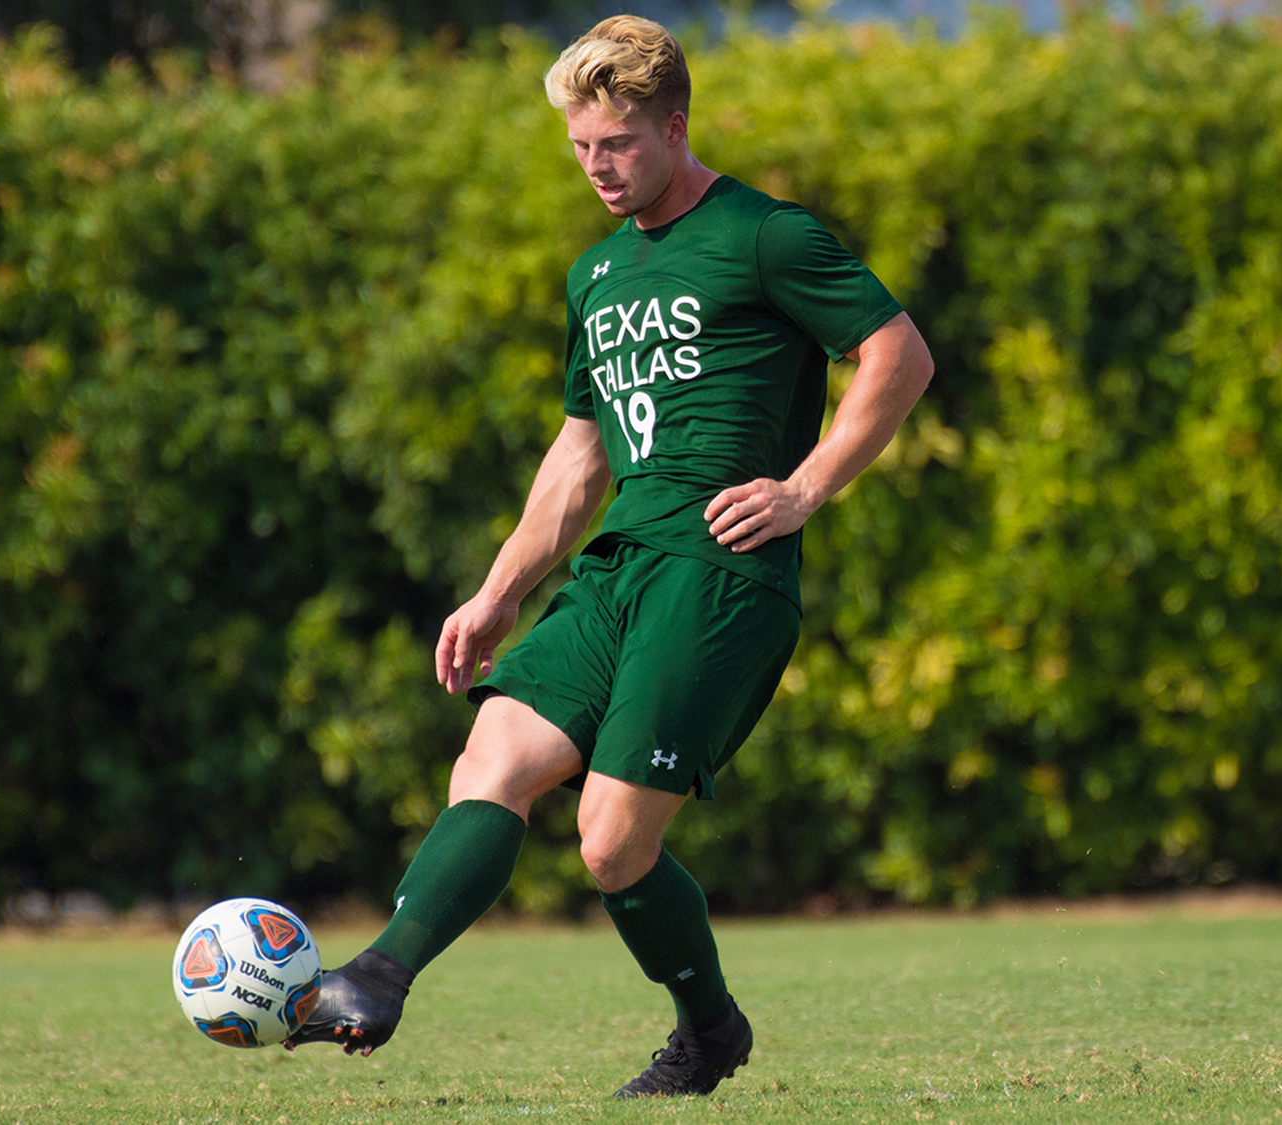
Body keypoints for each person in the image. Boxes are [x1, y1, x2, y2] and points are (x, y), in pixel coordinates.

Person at [282, 14, 934, 1098]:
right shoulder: (594, 276)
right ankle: (378, 977)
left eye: (618, 143)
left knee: (610, 843)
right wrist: (499, 590)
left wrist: (805, 487)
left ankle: (709, 1031)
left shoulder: (764, 235)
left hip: (717, 571)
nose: (597, 165)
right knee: (493, 754)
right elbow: (580, 455)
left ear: (674, 127)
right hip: (618, 565)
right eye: (581, 145)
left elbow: (897, 353)